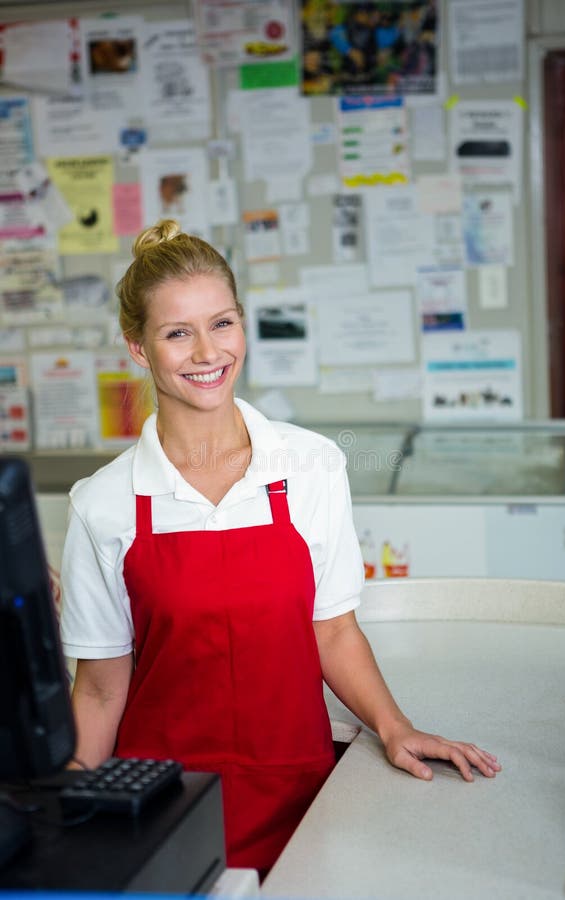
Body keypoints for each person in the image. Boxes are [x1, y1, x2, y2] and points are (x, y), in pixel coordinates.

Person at [60, 220, 501, 877]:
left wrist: (395, 726)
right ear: (138, 348)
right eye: (177, 333)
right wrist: (60, 815)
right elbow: (99, 691)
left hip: (301, 801)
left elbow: (334, 631)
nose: (207, 351)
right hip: (160, 809)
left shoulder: (310, 466)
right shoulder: (102, 503)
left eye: (222, 323)